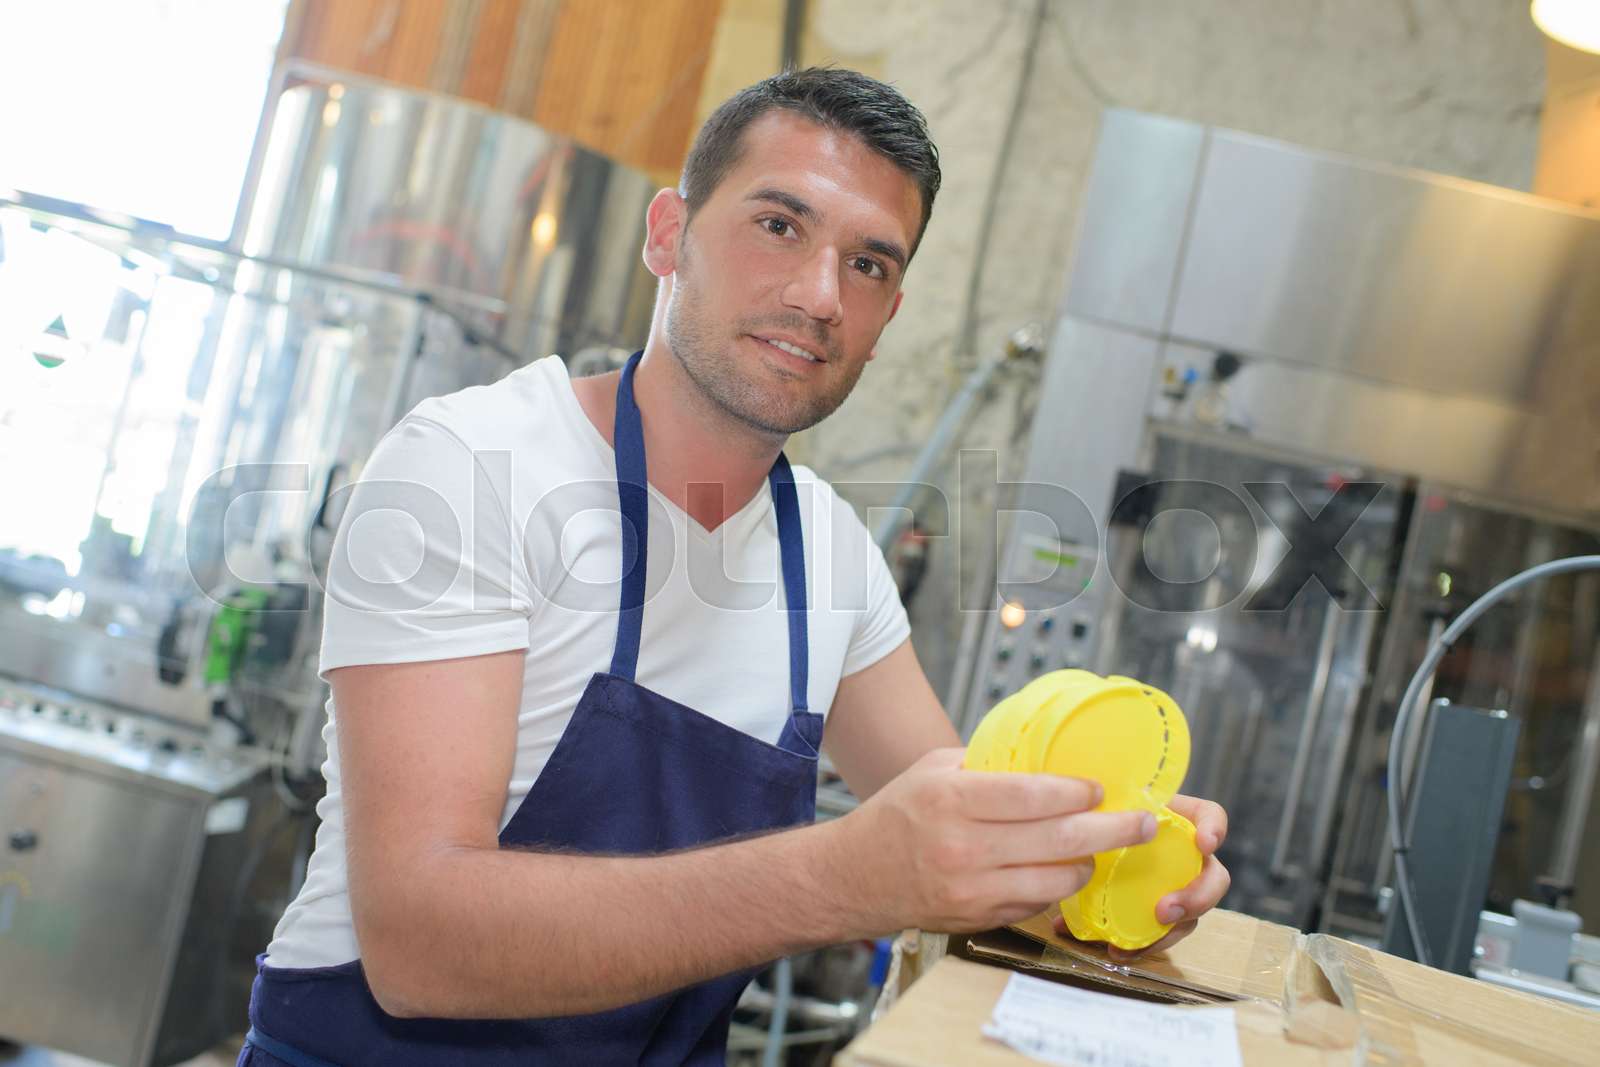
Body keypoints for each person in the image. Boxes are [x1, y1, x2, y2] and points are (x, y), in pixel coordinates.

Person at [240, 67, 1230, 1066]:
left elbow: (965, 841)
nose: (818, 296)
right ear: (667, 233)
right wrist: (841, 877)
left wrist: (1110, 876)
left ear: (889, 316)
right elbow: (419, 944)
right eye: (778, 225)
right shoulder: (473, 466)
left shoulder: (828, 556)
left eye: (869, 266)